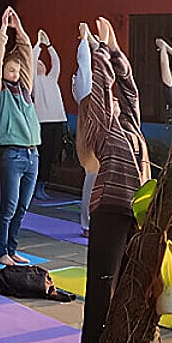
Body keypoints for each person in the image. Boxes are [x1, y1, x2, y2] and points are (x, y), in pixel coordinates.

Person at [79, 17, 150, 343]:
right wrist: (98, 50)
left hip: (134, 212)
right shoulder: (103, 126)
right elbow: (103, 87)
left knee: (127, 282)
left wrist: (116, 48)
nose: (120, 100)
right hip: (109, 210)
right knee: (102, 284)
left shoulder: (130, 123)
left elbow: (129, 87)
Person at [0, 6, 41, 266]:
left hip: (32, 153)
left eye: (18, 69)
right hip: (12, 153)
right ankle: (1, 252)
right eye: (11, 69)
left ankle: (13, 248)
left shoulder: (26, 91)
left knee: (22, 207)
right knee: (9, 206)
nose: (15, 71)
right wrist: (3, 31)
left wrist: (20, 29)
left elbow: (27, 54)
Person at [32, 29, 68, 201]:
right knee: (42, 154)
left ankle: (43, 184)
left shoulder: (52, 78)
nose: (40, 65)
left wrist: (50, 46)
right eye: (38, 63)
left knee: (52, 155)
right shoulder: (34, 82)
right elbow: (31, 62)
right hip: (42, 122)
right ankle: (36, 185)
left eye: (42, 63)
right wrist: (38, 45)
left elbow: (57, 63)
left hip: (58, 120)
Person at [72, 22, 100, 237]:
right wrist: (84, 39)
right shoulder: (85, 93)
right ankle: (87, 224)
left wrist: (91, 40)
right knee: (91, 179)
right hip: (89, 145)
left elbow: (105, 58)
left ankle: (92, 222)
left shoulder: (99, 90)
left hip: (100, 142)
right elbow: (85, 64)